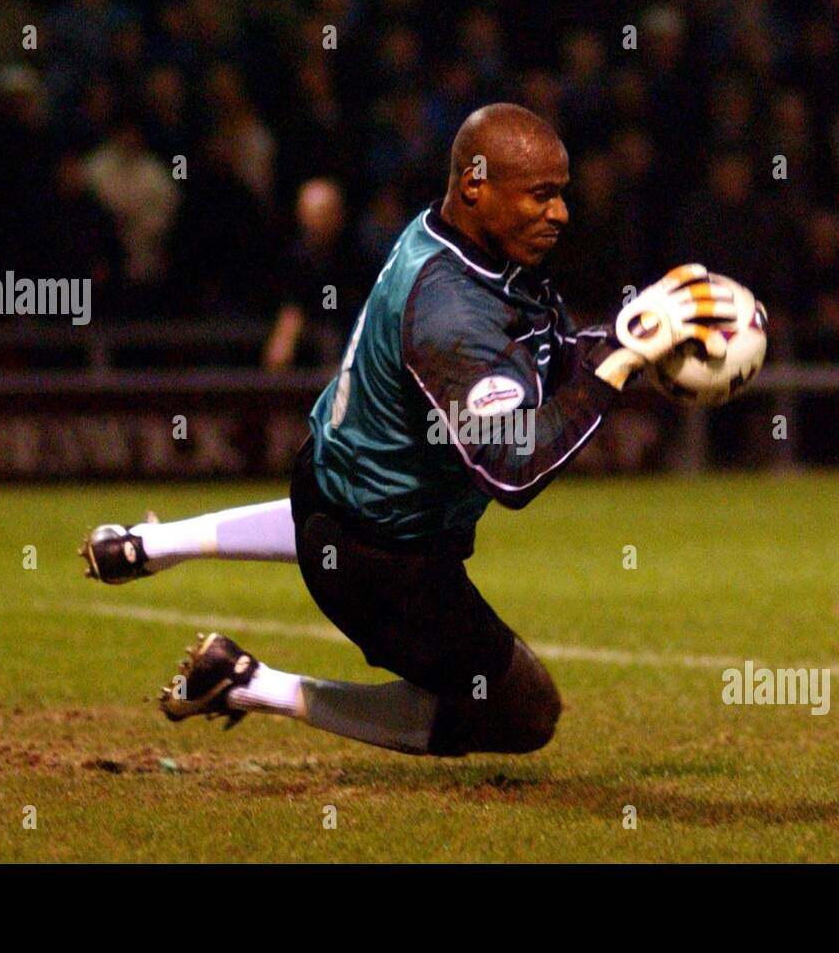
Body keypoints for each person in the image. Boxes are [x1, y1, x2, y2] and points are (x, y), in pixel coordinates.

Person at [80, 103, 735, 756]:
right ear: (477, 185)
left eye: (561, 195)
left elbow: (550, 353)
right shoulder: (451, 310)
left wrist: (640, 343)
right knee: (522, 713)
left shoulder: (469, 243)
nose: (559, 213)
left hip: (332, 489)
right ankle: (249, 684)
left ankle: (149, 545)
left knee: (359, 508)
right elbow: (512, 468)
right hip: (383, 566)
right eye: (541, 196)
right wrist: (620, 360)